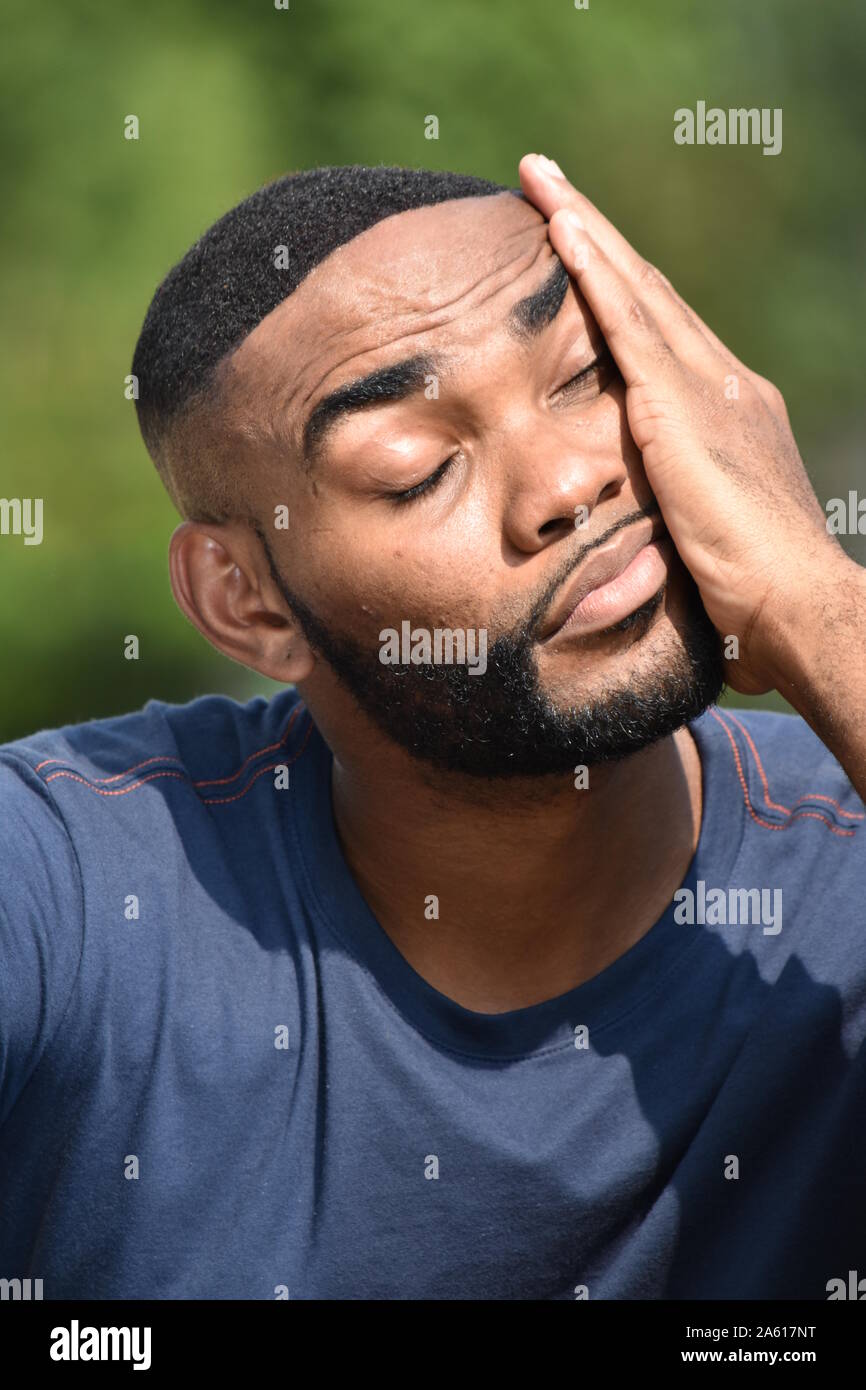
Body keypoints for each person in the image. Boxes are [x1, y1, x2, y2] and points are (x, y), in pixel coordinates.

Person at [1, 155, 864, 1300]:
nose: (569, 479)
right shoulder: (79, 883)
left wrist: (816, 602)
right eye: (415, 470)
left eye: (587, 375)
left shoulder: (840, 858)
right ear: (245, 600)